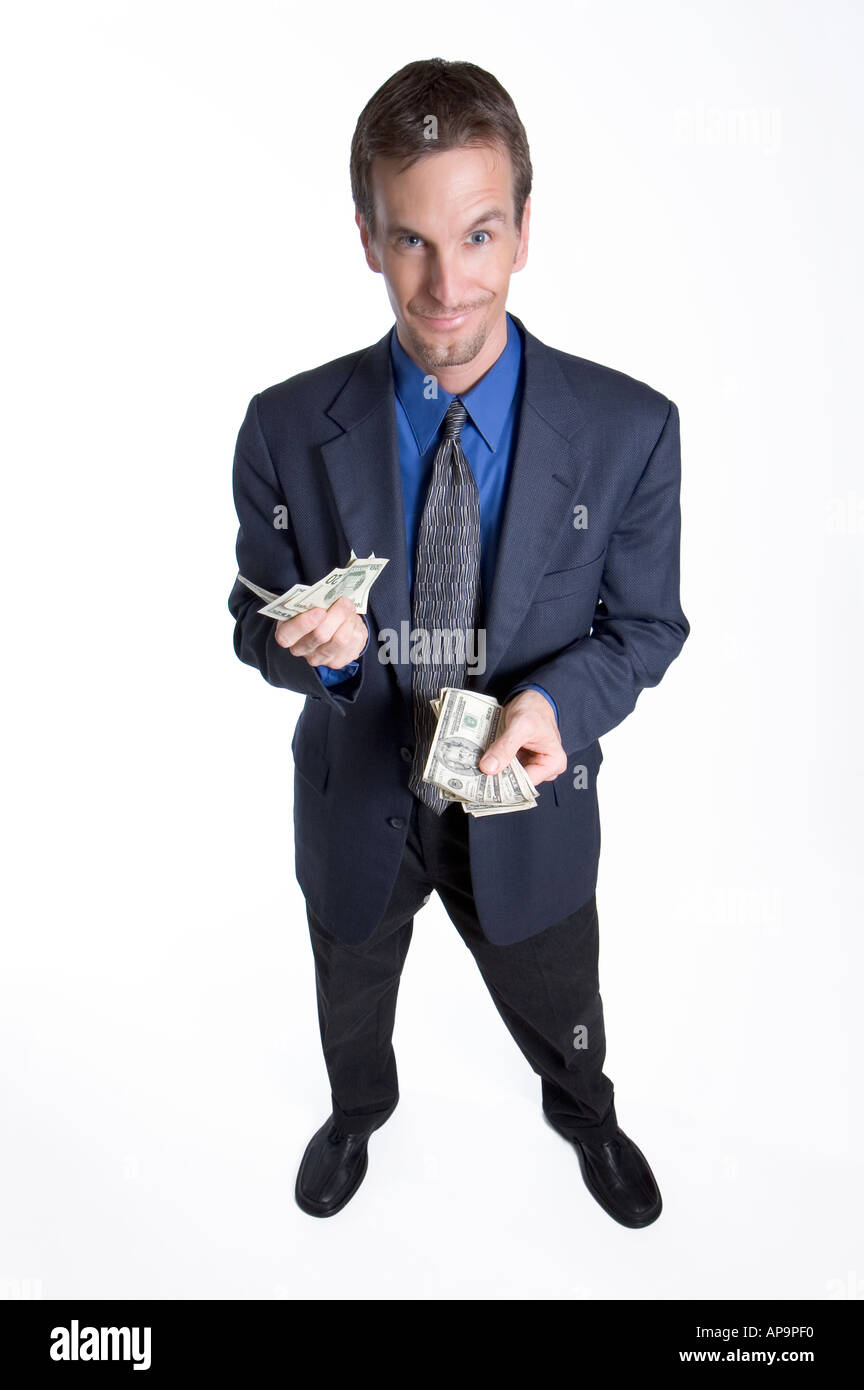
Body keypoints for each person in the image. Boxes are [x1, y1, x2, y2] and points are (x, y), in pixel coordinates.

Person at [227, 58, 689, 1226]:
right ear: (369, 239)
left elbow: (644, 627)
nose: (445, 287)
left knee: (561, 997)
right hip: (356, 799)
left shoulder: (631, 431)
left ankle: (585, 1113)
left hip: (523, 799)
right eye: (412, 242)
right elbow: (252, 616)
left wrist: (558, 707)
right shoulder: (285, 427)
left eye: (478, 235)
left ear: (525, 231)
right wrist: (316, 651)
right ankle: (356, 1113)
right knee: (351, 995)